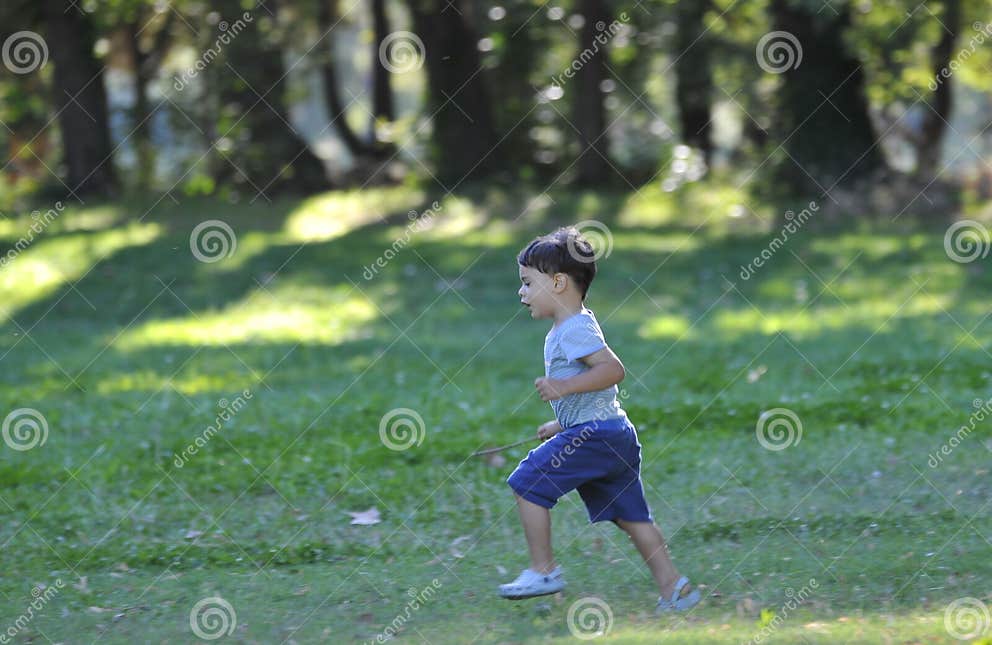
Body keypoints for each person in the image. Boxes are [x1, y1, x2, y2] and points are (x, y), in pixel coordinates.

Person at [499, 226, 701, 612]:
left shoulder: (574, 328)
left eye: (527, 283)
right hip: (609, 432)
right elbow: (598, 393)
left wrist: (562, 389)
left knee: (528, 482)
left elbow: (613, 371)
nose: (521, 293)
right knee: (632, 517)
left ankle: (544, 570)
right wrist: (564, 424)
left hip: (598, 436)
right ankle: (676, 589)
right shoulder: (571, 326)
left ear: (558, 283)